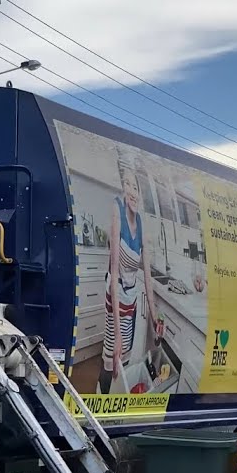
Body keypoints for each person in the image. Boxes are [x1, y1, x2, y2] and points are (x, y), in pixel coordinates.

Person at [100, 159, 160, 395]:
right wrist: (116, 334)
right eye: (127, 184)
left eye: (136, 187)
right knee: (111, 351)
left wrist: (155, 318)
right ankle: (99, 398)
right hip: (115, 294)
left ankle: (113, 395)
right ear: (123, 187)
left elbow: (147, 277)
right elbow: (115, 274)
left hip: (131, 297)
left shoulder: (141, 222)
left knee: (123, 352)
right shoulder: (117, 209)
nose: (132, 191)